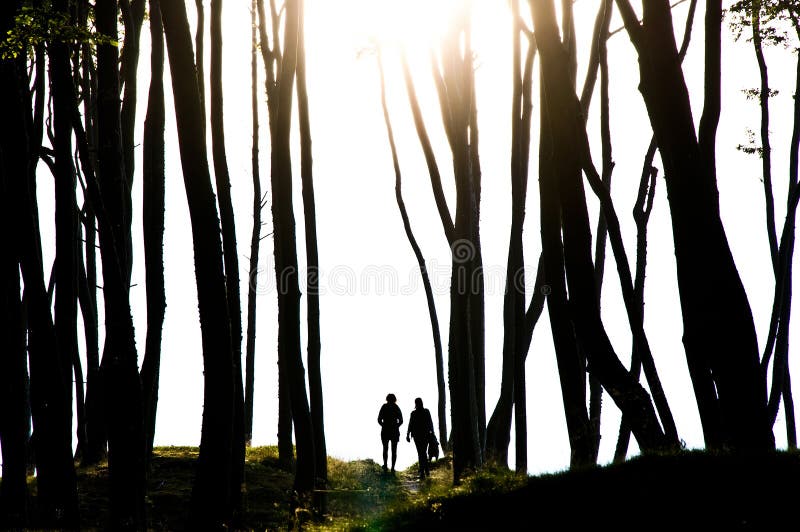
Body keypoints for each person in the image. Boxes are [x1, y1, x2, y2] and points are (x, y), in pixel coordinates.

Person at [406, 397, 435, 480]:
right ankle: (425, 471)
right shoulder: (425, 412)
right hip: (424, 435)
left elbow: (410, 425)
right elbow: (430, 423)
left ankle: (423, 472)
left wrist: (408, 434)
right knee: (423, 453)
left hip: (418, 436)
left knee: (421, 453)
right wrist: (432, 433)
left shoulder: (414, 413)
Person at [377, 393, 403, 473]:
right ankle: (392, 468)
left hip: (385, 431)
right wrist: (396, 426)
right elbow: (401, 420)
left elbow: (379, 419)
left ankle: (385, 465)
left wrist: (383, 425)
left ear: (387, 399)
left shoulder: (384, 406)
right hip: (394, 431)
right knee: (394, 450)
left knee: (385, 449)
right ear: (394, 399)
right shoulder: (396, 407)